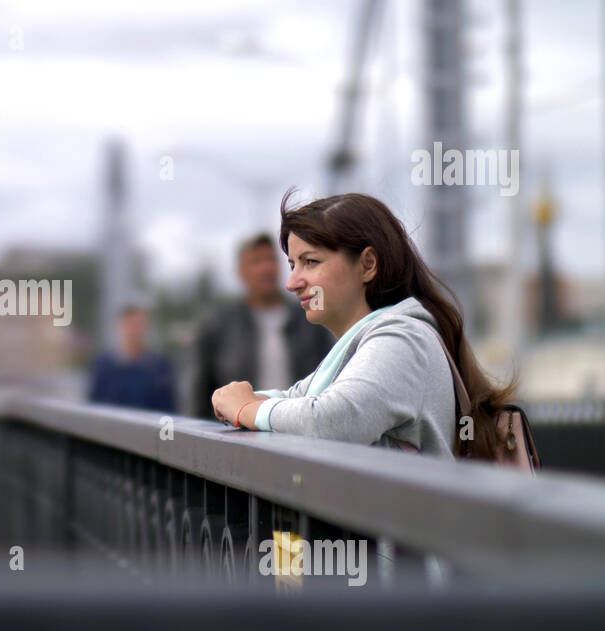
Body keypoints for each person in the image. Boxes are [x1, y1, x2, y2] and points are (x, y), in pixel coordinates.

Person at [209, 191, 518, 459]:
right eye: (292, 265)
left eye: (310, 262)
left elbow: (332, 421)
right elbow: (298, 401)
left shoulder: (401, 340)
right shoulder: (361, 347)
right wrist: (242, 401)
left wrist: (245, 409)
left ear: (368, 265)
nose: (291, 283)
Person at [190, 232, 335, 417]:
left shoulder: (311, 320)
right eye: (256, 261)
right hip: (238, 436)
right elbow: (199, 391)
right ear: (240, 272)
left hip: (301, 431)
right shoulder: (218, 327)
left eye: (271, 259)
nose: (266, 268)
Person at [89, 301, 176, 412]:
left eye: (138, 325)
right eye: (129, 325)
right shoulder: (104, 365)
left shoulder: (159, 367)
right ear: (120, 327)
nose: (134, 331)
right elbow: (95, 406)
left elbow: (168, 408)